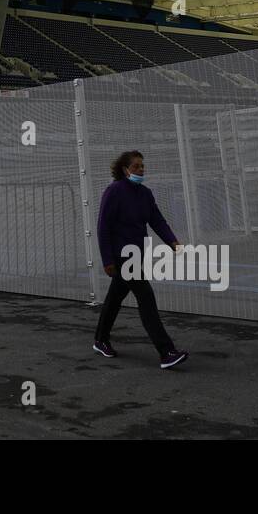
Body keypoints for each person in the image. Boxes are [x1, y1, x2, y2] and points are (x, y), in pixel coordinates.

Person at [92, 150, 189, 369]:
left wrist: (173, 242)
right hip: (122, 256)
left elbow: (156, 220)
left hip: (138, 254)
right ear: (125, 169)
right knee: (146, 298)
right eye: (136, 166)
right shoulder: (114, 191)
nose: (141, 169)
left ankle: (100, 340)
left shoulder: (145, 193)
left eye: (142, 166)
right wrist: (107, 259)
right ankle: (166, 352)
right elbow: (103, 228)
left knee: (115, 298)